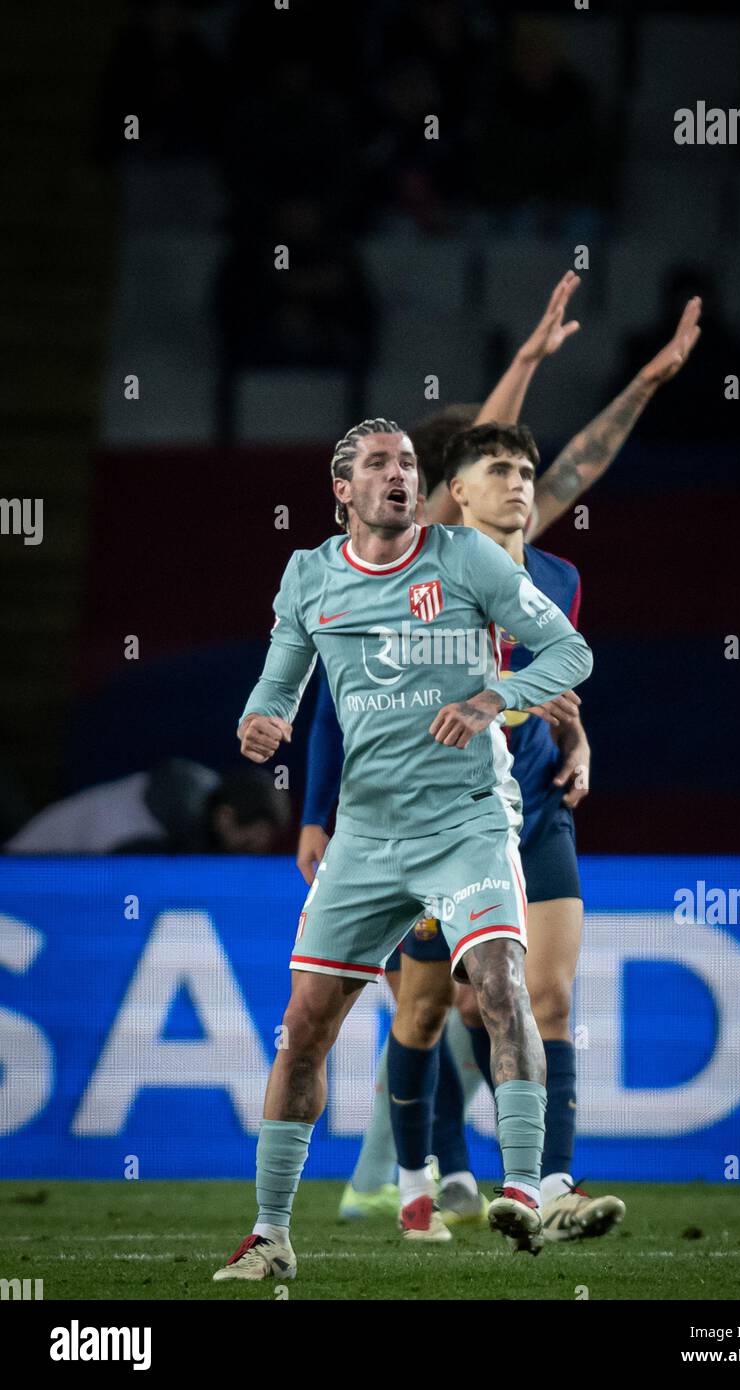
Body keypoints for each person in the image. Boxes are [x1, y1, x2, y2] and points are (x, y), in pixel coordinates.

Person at [213, 416, 593, 1281]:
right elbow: (279, 683)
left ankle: (524, 1191)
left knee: (499, 982)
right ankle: (270, 1236)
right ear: (342, 489)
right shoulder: (310, 575)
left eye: (410, 463)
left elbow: (569, 652)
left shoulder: (467, 560)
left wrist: (497, 696)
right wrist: (261, 719)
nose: (400, 475)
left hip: (468, 822)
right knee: (303, 1026)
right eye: (380, 463)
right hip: (366, 836)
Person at [3, 759, 288, 855]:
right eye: (248, 843)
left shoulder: (192, 808)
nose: (249, 854)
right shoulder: (143, 836)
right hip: (21, 876)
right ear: (226, 817)